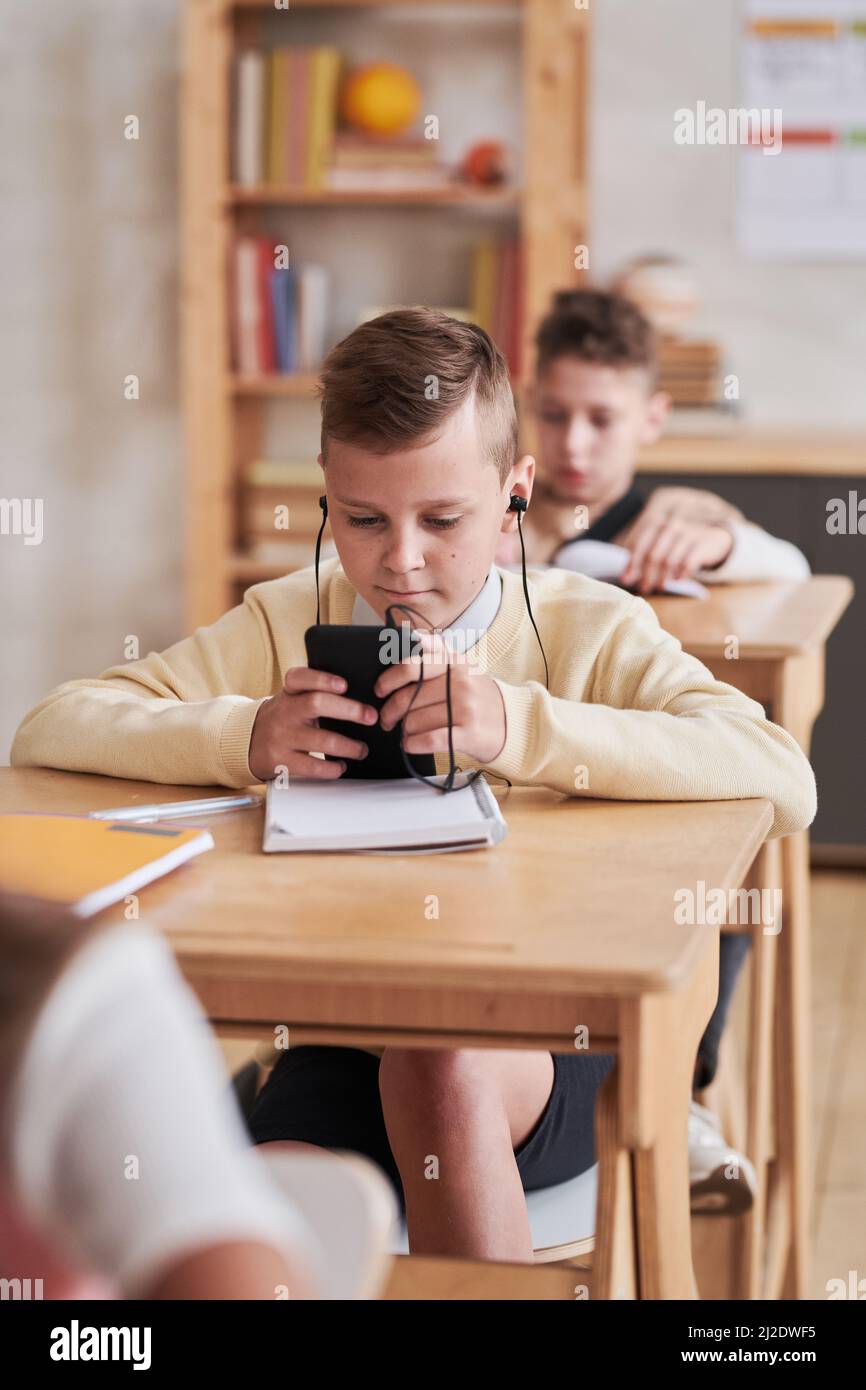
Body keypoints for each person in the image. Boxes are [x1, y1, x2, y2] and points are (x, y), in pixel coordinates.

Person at [11, 307, 817, 1260]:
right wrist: (247, 734)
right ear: (326, 498)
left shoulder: (586, 627)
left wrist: (518, 725)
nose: (401, 559)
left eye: (443, 519)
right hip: (342, 1039)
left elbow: (780, 773)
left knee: (439, 1072)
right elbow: (50, 726)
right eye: (363, 519)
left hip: (543, 1047)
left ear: (516, 494)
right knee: (276, 1215)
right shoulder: (282, 621)